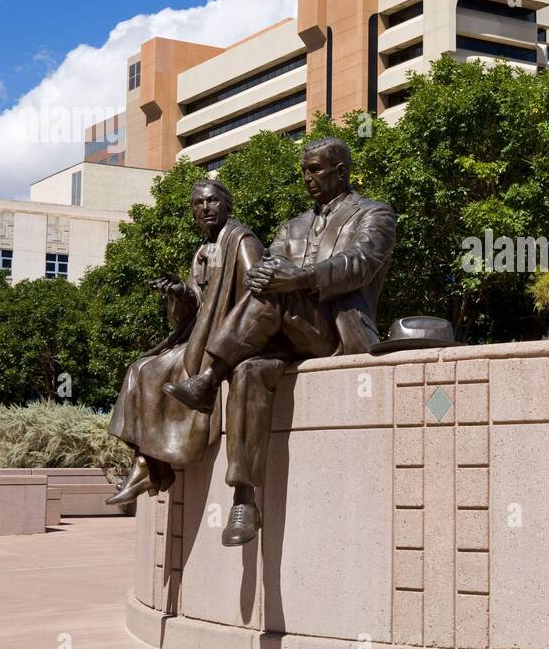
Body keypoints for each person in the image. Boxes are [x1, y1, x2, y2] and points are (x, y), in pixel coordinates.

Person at [163, 137, 396, 545]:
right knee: (249, 369)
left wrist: (298, 278)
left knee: (274, 289)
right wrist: (262, 276)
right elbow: (269, 266)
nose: (307, 178)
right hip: (283, 331)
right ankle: (244, 499)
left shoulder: (373, 214)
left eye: (316, 170)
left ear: (340, 171)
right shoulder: (292, 226)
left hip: (338, 332)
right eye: (304, 170)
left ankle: (206, 378)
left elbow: (359, 263)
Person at [105, 179, 263, 507]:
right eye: (197, 204)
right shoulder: (203, 252)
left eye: (212, 201)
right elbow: (194, 308)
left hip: (226, 339)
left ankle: (151, 467)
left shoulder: (241, 240)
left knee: (155, 371)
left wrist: (224, 339)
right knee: (138, 369)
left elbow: (255, 295)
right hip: (199, 336)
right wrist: (179, 293)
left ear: (227, 206)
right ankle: (148, 464)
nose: (204, 208)